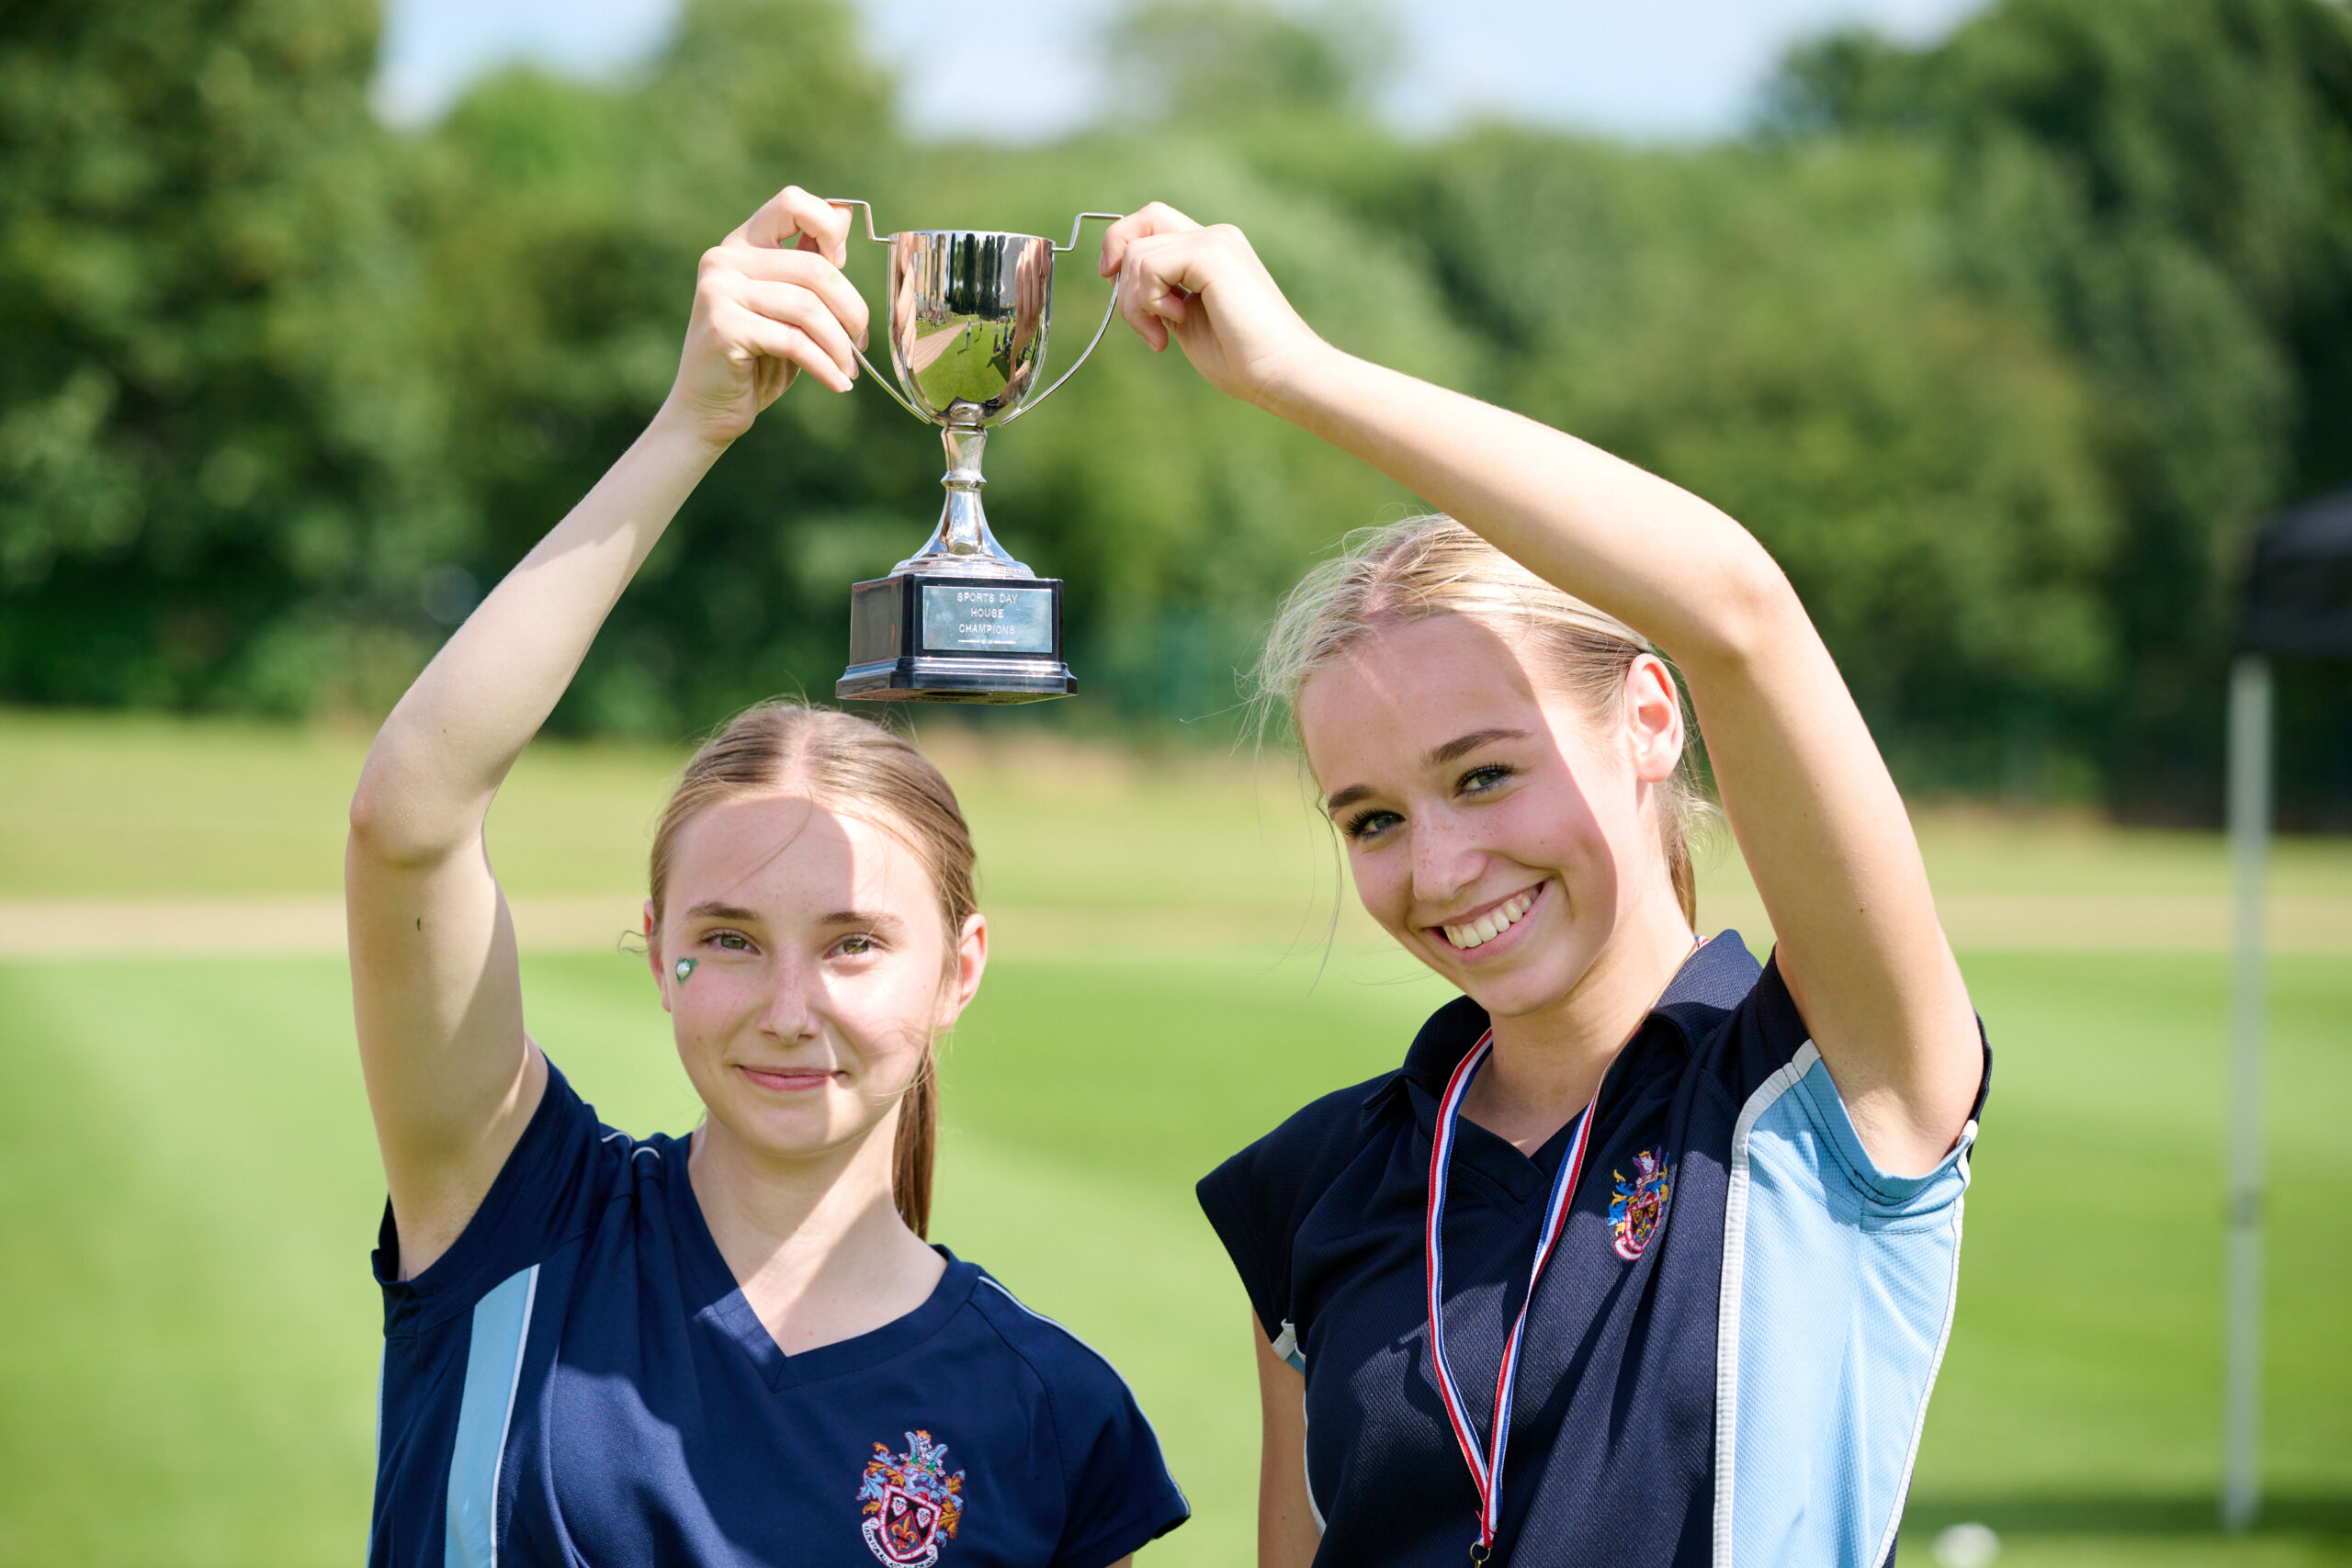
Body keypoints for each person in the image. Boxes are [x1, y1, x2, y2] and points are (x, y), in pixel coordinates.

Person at [1097, 207, 1990, 1566]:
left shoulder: (1822, 1083)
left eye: (1485, 777)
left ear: (1649, 719)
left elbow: (1739, 613)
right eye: (1375, 816)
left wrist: (1299, 376)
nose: (1442, 868)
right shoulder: (1319, 1180)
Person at [345, 186, 1189, 1568]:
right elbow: (409, 820)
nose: (788, 1005)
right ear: (656, 940)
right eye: (730, 939)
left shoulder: (1051, 1415)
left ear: (960, 968)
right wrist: (693, 426)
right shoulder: (513, 1214)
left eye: (854, 942)